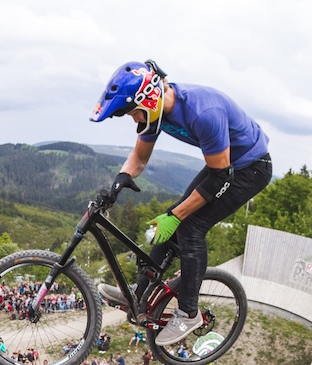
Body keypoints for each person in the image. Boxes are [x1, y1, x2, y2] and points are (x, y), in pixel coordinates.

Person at [91, 60, 272, 346]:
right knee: (171, 217)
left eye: (132, 113)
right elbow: (139, 159)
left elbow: (218, 178)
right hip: (223, 165)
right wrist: (118, 183)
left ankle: (189, 312)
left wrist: (177, 215)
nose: (134, 120)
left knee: (190, 226)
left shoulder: (203, 113)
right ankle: (141, 292)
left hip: (250, 168)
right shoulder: (155, 113)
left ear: (148, 101)